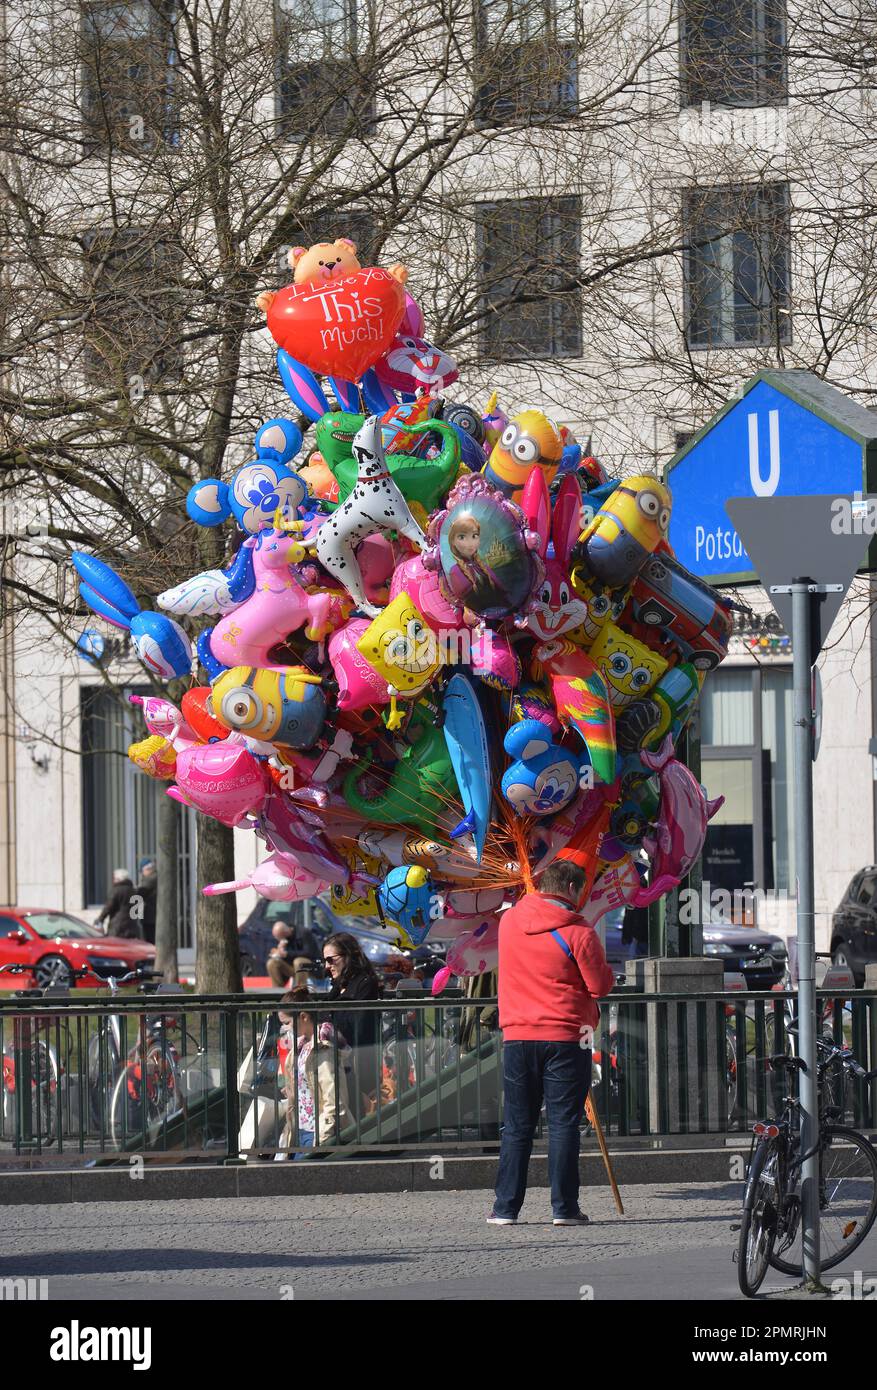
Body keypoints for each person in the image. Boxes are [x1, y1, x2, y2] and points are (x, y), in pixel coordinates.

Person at [490, 854, 615, 1227]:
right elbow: (599, 985)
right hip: (567, 1036)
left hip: (517, 1035)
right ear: (573, 889)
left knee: (517, 1126)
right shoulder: (580, 932)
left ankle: (504, 1209)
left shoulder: (508, 922)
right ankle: (564, 1209)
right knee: (563, 1124)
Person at [277, 988, 352, 1156]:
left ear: (303, 1016)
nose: (285, 1029)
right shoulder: (300, 1048)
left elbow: (333, 1098)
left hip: (317, 1132)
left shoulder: (323, 1049)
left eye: (287, 1023)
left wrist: (322, 1136)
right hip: (301, 1129)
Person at [323, 932, 382, 1116]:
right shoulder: (340, 984)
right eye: (325, 961)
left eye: (331, 960)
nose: (327, 966)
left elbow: (358, 1024)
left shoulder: (365, 983)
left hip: (358, 1059)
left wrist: (327, 1022)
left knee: (357, 1112)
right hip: (339, 1060)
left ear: (348, 956)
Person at [266, 921, 315, 989]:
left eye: (280, 937)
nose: (279, 939)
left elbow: (309, 952)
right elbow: (282, 954)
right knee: (272, 963)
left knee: (298, 961)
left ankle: (301, 990)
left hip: (310, 965)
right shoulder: (284, 938)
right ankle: (277, 990)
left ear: (285, 932)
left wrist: (287, 954)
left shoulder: (303, 933)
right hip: (293, 967)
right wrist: (279, 951)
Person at [96, 868, 140, 939]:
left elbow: (108, 907)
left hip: (117, 926)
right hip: (132, 926)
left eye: (114, 878)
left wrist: (100, 919)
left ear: (118, 879)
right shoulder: (134, 891)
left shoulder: (116, 891)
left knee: (116, 946)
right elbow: (138, 911)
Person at [136, 859, 157, 945]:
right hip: (152, 915)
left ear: (147, 869)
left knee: (150, 939)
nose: (142, 874)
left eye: (142, 871)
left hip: (150, 916)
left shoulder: (150, 879)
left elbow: (140, 893)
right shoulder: (155, 877)